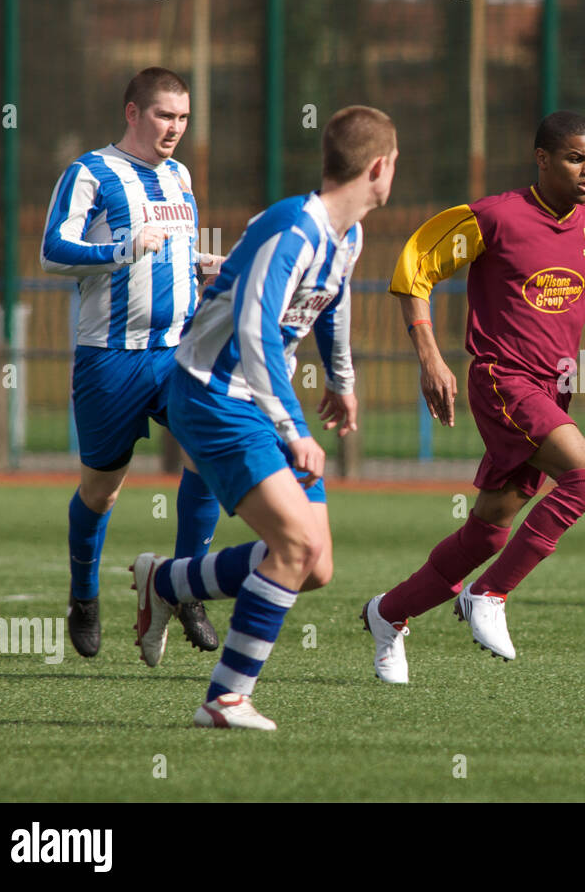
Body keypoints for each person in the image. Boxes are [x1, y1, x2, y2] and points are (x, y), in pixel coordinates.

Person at [362, 110, 585, 682]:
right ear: (543, 159)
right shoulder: (495, 217)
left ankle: (388, 614)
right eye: (576, 158)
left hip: (552, 393)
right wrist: (430, 358)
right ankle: (491, 594)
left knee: (487, 530)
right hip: (503, 380)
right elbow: (416, 268)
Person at [129, 105, 397, 729]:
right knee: (297, 545)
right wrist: (295, 429)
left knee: (316, 566)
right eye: (395, 166)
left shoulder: (346, 235)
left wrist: (342, 381)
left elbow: (332, 303)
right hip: (214, 397)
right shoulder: (291, 228)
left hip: (258, 399)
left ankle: (167, 583)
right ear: (380, 167)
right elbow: (253, 327)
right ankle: (224, 698)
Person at [41, 67, 223, 658]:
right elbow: (52, 250)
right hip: (110, 359)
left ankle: (184, 585)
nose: (175, 128)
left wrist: (199, 265)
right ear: (133, 113)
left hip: (177, 351)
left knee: (211, 454)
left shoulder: (179, 176)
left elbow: (170, 250)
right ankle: (84, 595)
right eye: (165, 115)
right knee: (103, 491)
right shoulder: (91, 171)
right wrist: (119, 250)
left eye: (184, 117)